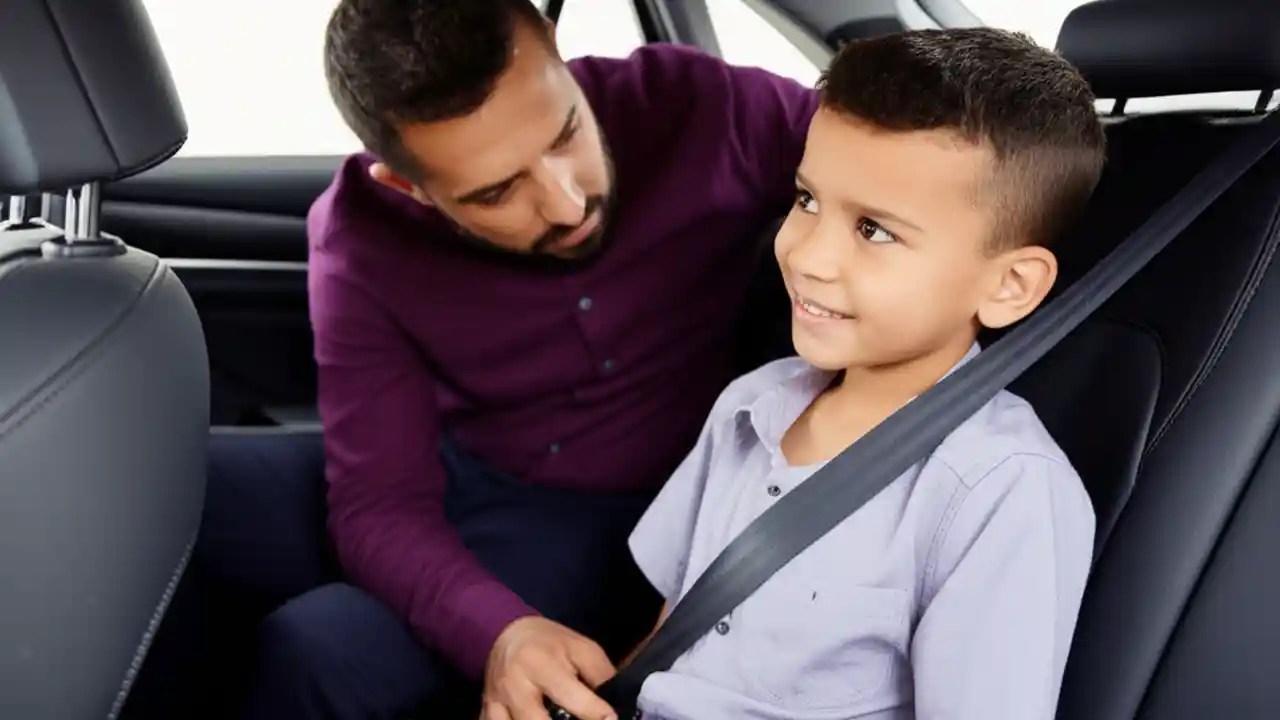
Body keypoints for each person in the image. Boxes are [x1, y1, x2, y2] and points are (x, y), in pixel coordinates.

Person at [175, 1, 819, 720]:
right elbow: (380, 503)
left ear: (553, 45)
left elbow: (903, 164)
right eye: (497, 191)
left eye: (566, 131)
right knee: (148, 483)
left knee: (317, 648)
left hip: (635, 509)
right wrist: (501, 635)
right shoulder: (360, 237)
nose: (567, 201)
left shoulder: (701, 103)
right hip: (468, 469)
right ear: (408, 187)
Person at [624, 28, 1105, 719]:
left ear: (1008, 287)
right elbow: (670, 639)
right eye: (806, 199)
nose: (807, 255)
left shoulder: (1000, 488)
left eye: (874, 230)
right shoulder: (751, 405)